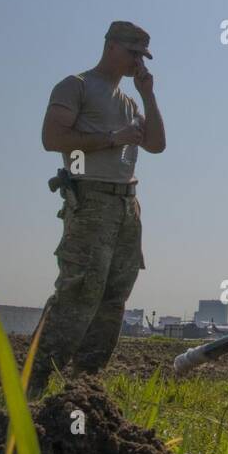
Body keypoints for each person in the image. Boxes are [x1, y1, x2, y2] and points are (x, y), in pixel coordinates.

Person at [30, 21, 166, 397]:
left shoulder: (129, 101)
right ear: (110, 47)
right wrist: (112, 139)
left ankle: (84, 389)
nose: (137, 61)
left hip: (126, 205)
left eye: (142, 56)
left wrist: (148, 95)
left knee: (113, 297)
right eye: (132, 53)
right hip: (91, 201)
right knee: (79, 292)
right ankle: (32, 383)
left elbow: (156, 143)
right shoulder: (76, 86)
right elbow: (52, 138)